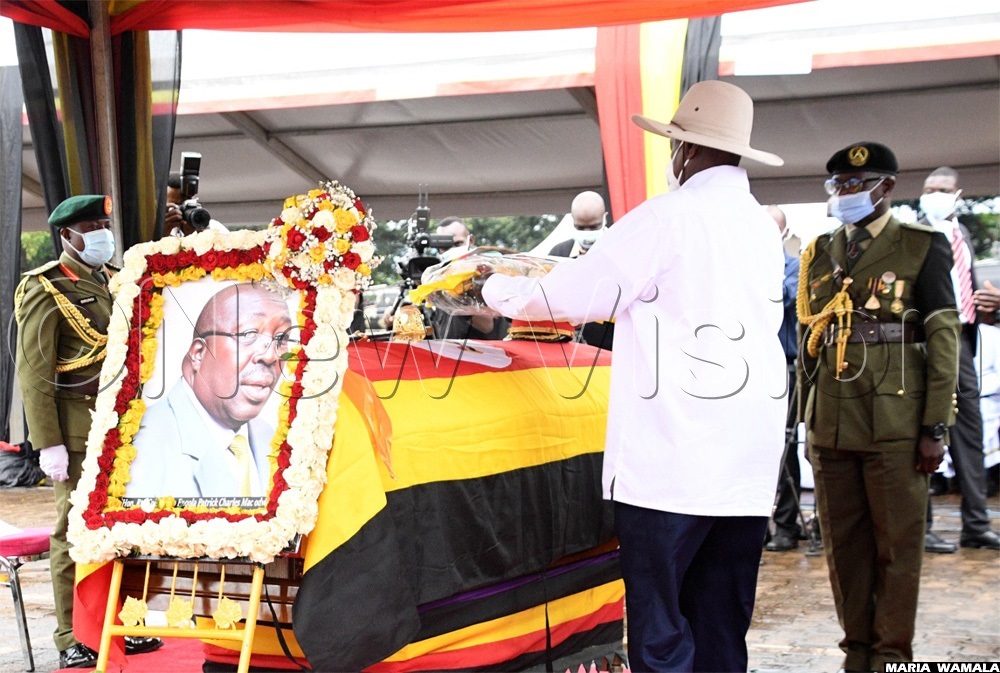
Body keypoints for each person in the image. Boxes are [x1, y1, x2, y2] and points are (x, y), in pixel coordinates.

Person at [482, 80, 787, 672]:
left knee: (661, 630)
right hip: (743, 461)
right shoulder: (758, 226)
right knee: (721, 628)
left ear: (687, 151)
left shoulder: (668, 217)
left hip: (671, 462)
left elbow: (574, 293)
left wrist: (493, 287)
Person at [797, 142, 960, 671]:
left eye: (855, 185)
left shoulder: (920, 246)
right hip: (832, 423)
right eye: (837, 186)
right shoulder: (820, 251)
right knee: (843, 550)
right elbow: (812, 338)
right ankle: (857, 651)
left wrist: (936, 425)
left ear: (885, 188)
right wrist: (805, 415)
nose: (844, 195)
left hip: (895, 418)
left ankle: (892, 655)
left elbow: (943, 340)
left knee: (897, 548)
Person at [14, 195, 161, 668]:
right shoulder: (46, 287)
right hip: (77, 433)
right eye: (92, 226)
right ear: (67, 236)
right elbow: (34, 372)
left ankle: (127, 623)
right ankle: (70, 636)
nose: (102, 233)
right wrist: (47, 442)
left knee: (127, 528)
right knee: (72, 533)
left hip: (123, 428)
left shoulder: (112, 280)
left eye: (104, 223)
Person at [126, 284, 292, 499]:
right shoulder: (143, 447)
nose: (270, 357)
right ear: (198, 353)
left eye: (281, 339)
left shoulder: (269, 437)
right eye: (249, 333)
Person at [918, 167, 1000, 551]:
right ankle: (922, 526)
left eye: (943, 190)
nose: (935, 195)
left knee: (970, 432)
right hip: (923, 344)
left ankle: (976, 523)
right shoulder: (912, 236)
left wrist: (987, 308)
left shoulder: (962, 234)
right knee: (924, 430)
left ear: (958, 194)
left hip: (963, 340)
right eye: (929, 189)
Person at [764, 205, 803, 552]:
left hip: (784, 366)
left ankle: (788, 525)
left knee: (785, 448)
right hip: (745, 370)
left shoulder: (793, 267)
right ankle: (756, 523)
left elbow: (784, 297)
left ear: (784, 234)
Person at [549, 191, 615, 350]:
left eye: (593, 227)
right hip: (569, 349)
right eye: (580, 227)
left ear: (605, 218)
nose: (587, 234)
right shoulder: (558, 254)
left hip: (611, 348)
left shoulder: (618, 250)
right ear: (572, 221)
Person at [429, 217, 509, 340]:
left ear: (470, 240)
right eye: (445, 246)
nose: (452, 250)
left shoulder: (485, 271)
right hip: (450, 354)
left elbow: (487, 325)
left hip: (483, 354)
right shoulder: (439, 278)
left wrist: (455, 298)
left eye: (457, 244)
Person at [164, 172, 228, 238]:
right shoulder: (158, 230)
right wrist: (163, 233)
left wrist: (204, 236)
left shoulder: (214, 228)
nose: (183, 210)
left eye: (187, 204)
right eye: (176, 206)